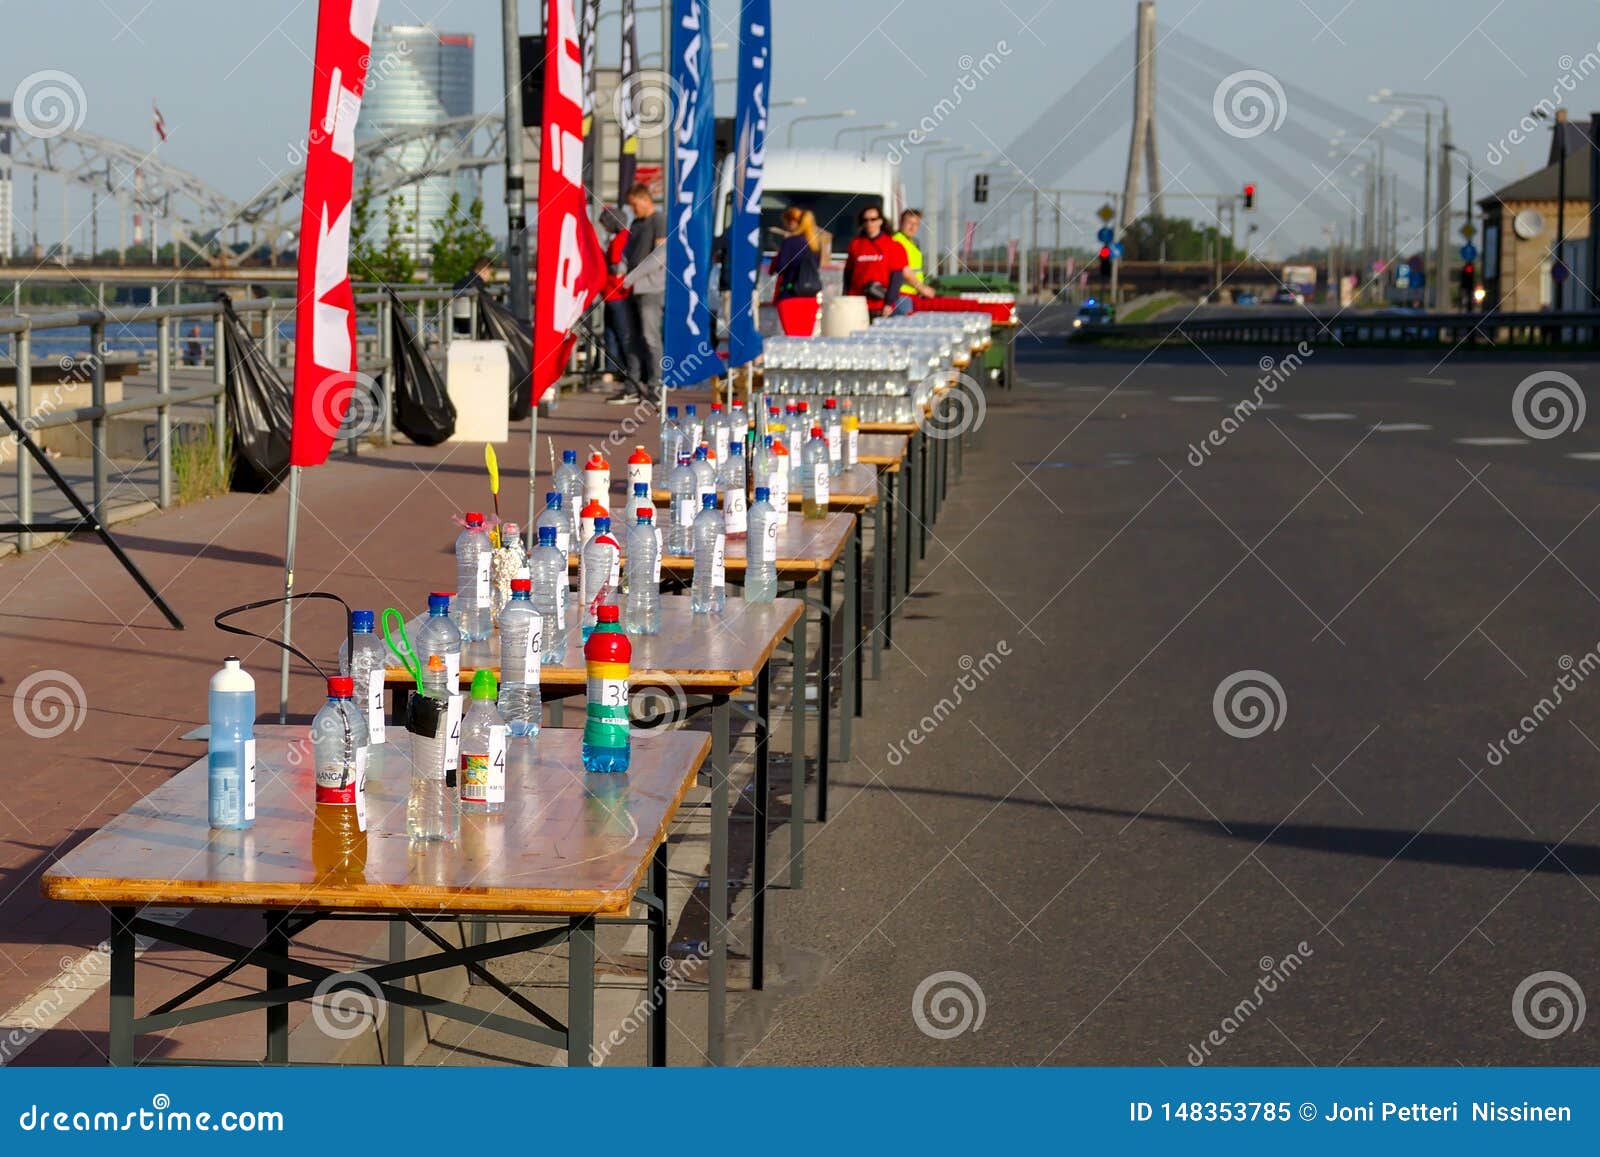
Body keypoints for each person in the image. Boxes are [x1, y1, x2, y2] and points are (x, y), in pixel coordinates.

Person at [622, 183, 666, 404]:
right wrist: (623, 271)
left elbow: (660, 256)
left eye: (634, 205)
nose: (633, 210)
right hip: (632, 288)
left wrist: (631, 277)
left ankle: (657, 385)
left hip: (651, 287)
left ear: (645, 199)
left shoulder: (659, 220)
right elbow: (627, 253)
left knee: (651, 337)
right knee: (633, 337)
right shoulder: (636, 223)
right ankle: (633, 385)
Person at [599, 205, 643, 403]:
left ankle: (631, 378)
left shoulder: (621, 239)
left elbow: (616, 264)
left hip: (617, 294)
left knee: (623, 335)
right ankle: (618, 371)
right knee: (612, 334)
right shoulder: (620, 238)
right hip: (611, 294)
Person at [842, 204, 906, 319]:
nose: (869, 223)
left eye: (873, 219)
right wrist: (845, 297)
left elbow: (896, 277)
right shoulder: (855, 244)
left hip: (880, 305)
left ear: (880, 221)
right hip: (857, 303)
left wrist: (889, 303)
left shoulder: (893, 246)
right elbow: (848, 275)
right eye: (865, 220)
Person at [770, 207, 823, 336]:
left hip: (790, 294)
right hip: (810, 296)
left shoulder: (790, 242)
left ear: (795, 222)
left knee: (792, 336)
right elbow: (816, 265)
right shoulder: (815, 243)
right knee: (805, 337)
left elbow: (780, 267)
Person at [890, 208, 936, 316]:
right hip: (901, 295)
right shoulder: (897, 241)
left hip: (911, 294)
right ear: (901, 223)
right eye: (909, 223)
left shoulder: (912, 243)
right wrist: (924, 289)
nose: (912, 227)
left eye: (916, 224)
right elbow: (904, 271)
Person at [451, 254, 495, 335]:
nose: (490, 277)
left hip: (457, 323)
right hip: (474, 323)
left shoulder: (459, 283)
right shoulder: (478, 284)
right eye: (490, 273)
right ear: (485, 270)